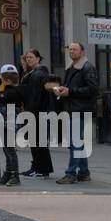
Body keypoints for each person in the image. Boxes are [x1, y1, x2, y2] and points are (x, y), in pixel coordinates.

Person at [55, 41, 99, 184]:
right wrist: (63, 89)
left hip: (80, 109)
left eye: (75, 49)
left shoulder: (87, 68)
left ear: (83, 52)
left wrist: (70, 91)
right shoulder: (72, 68)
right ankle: (84, 172)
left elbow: (93, 90)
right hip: (73, 109)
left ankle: (71, 173)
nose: (71, 51)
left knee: (75, 142)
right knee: (76, 142)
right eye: (70, 49)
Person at [17, 50, 54, 178]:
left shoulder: (39, 74)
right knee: (36, 142)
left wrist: (31, 111)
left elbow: (36, 96)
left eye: (31, 57)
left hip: (37, 112)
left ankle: (41, 169)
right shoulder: (33, 73)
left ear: (38, 59)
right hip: (35, 111)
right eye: (27, 57)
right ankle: (38, 167)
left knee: (39, 142)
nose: (28, 60)